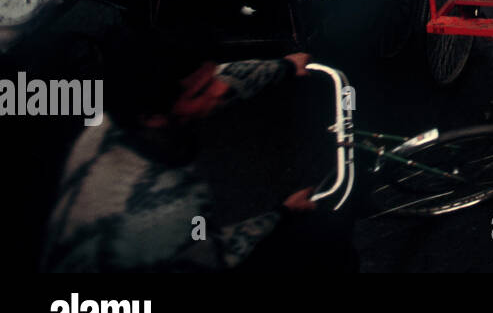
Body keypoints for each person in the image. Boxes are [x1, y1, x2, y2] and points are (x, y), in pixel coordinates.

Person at [42, 49, 331, 272]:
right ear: (153, 118)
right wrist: (281, 214)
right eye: (201, 91)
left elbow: (216, 83)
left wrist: (282, 67)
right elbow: (217, 257)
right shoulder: (166, 210)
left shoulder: (112, 121)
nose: (218, 89)